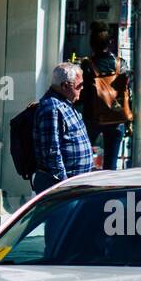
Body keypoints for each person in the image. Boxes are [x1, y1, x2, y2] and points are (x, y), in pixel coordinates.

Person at [32, 62, 93, 194]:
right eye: (79, 85)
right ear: (65, 86)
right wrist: (64, 186)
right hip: (61, 188)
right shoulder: (53, 108)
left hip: (73, 185)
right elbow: (52, 153)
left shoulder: (65, 104)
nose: (82, 88)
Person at [80, 24, 132, 171]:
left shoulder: (87, 65)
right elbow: (127, 91)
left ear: (91, 44)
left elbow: (82, 94)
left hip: (92, 118)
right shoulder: (121, 64)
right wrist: (128, 120)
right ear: (110, 42)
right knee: (111, 166)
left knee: (83, 159)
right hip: (116, 118)